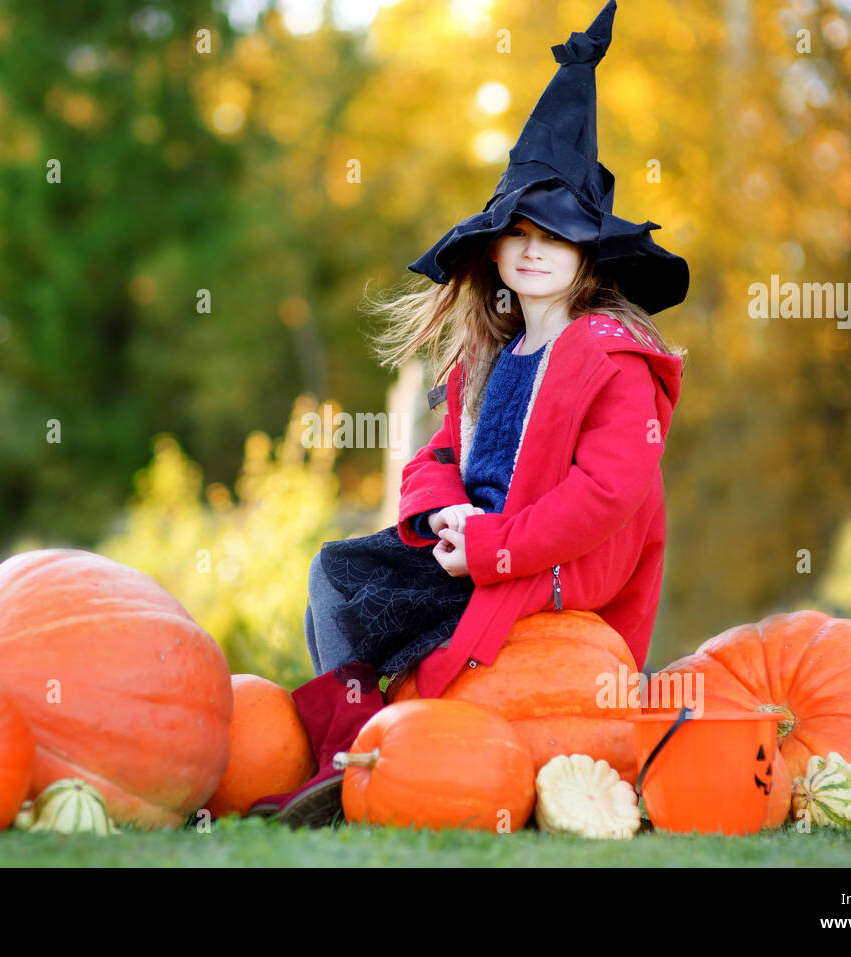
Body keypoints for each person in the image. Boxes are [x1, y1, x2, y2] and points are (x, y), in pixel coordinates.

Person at [249, 0, 689, 827]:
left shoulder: (613, 358)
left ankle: (392, 754)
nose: (533, 248)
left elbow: (608, 493)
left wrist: (491, 545)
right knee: (338, 575)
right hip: (474, 543)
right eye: (518, 231)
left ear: (587, 251)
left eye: (555, 236)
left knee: (436, 636)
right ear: (493, 248)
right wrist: (441, 514)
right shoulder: (490, 355)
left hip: (554, 569)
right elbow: (438, 456)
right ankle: (352, 750)